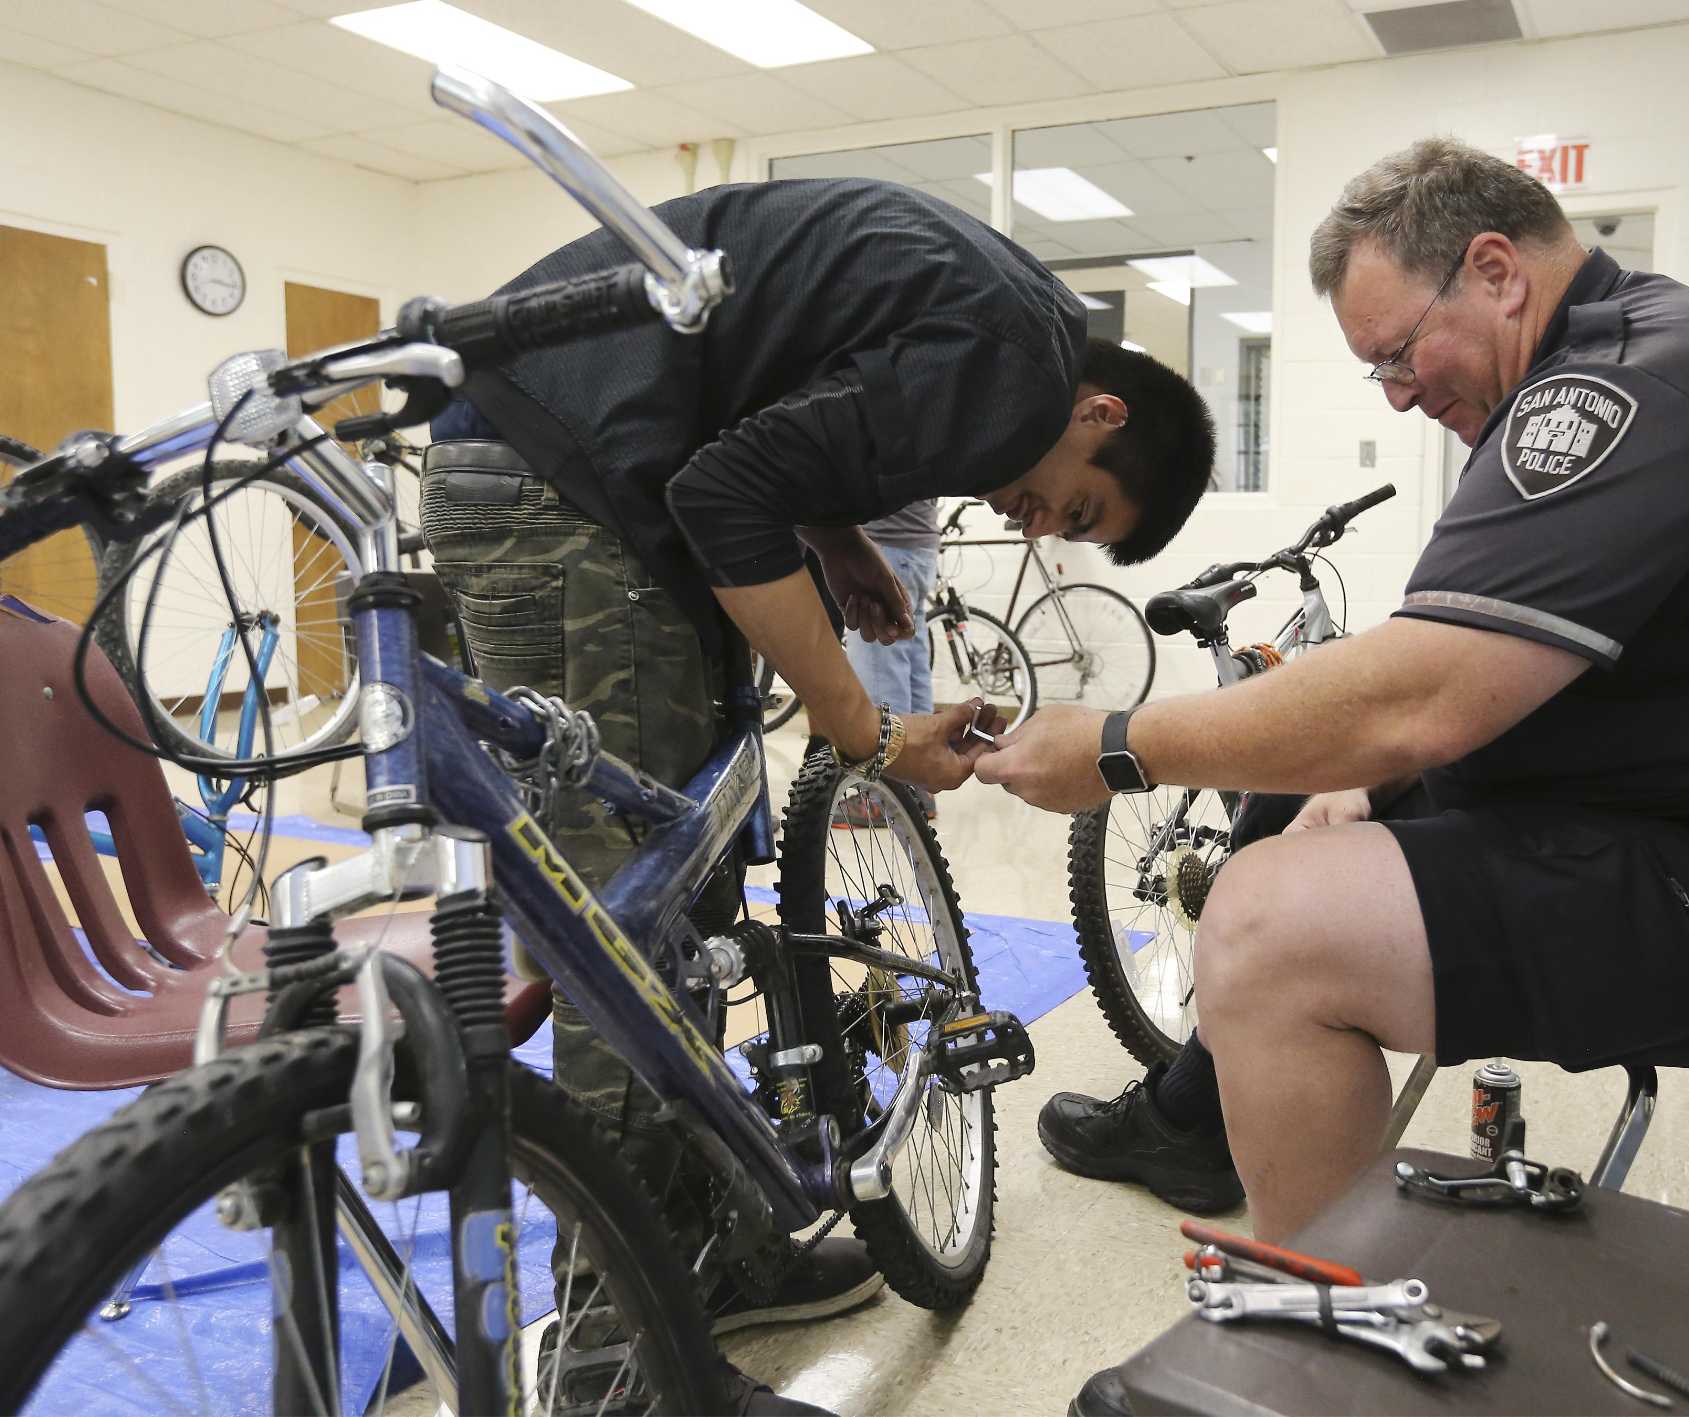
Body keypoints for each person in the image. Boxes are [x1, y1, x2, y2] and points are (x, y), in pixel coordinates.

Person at [978, 136, 1689, 1414]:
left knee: (1270, 924)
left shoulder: (1623, 387)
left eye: (1398, 353)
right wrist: (1369, 771)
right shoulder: (1630, 359)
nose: (1395, 393)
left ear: (1495, 271)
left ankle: (1313, 1373)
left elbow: (1423, 692)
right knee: (1308, 801)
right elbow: (1467, 670)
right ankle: (1235, 1178)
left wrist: (1119, 745)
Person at [418, 176, 1216, 1413]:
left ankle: (703, 1250)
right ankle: (608, 1354)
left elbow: (787, 391)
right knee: (625, 927)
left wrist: (835, 534)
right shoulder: (1009, 369)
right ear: (1098, 410)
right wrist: (864, 724)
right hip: (561, 481)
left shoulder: (1014, 324)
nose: (1031, 519)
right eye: (1074, 502)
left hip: (578, 465)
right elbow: (721, 492)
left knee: (688, 887)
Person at [833, 500, 942, 827]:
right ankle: (918, 789)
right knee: (912, 671)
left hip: (885, 547)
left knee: (880, 679)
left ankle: (883, 796)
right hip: (917, 546)